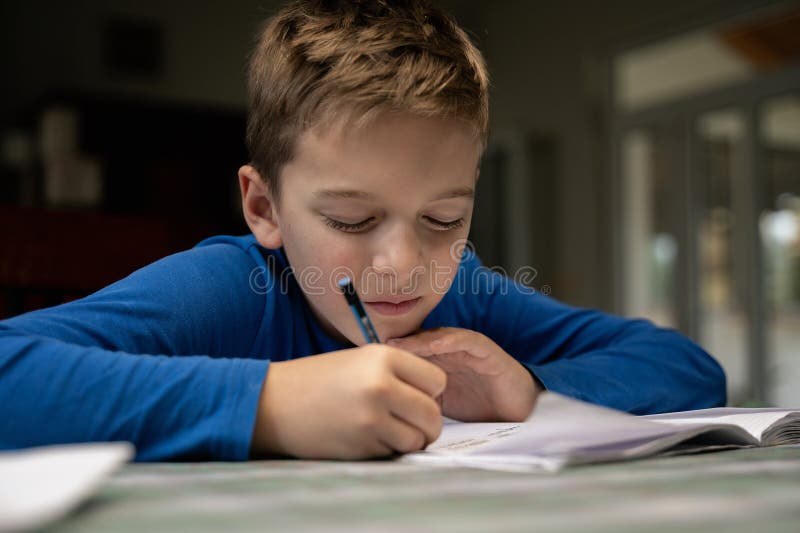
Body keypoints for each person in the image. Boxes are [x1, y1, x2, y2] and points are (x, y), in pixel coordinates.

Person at [0, 0, 726, 462]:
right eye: (351, 218)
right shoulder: (229, 289)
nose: (404, 265)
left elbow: (685, 365)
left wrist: (530, 387)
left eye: (445, 218)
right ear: (264, 209)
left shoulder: (463, 299)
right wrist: (272, 405)